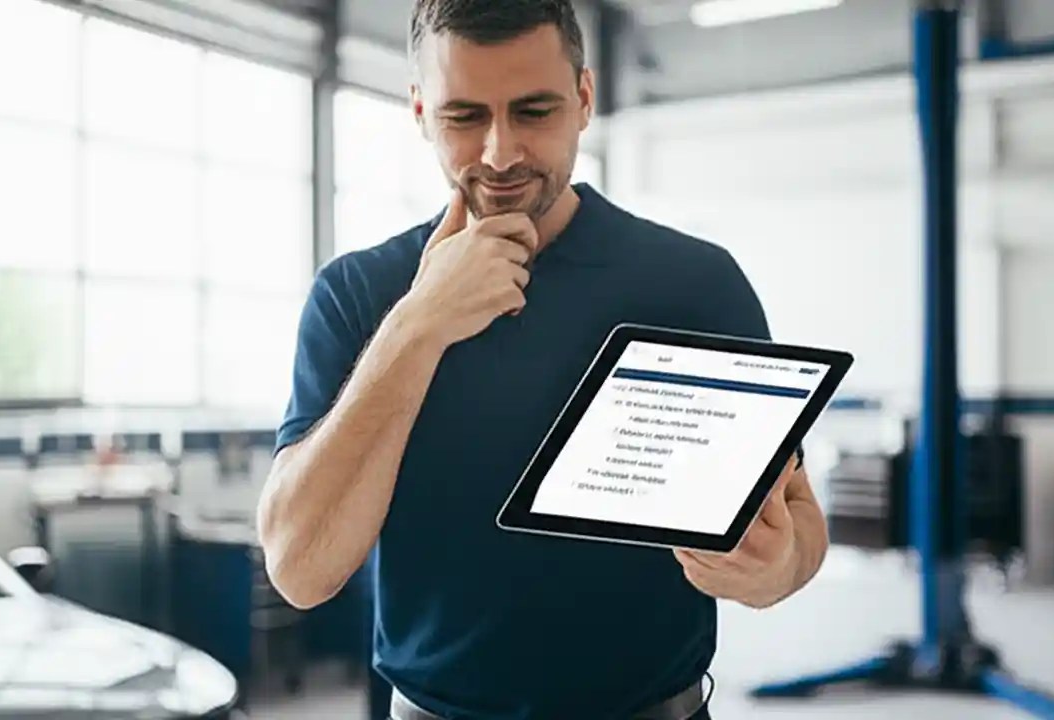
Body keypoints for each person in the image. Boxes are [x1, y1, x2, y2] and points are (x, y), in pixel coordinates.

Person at [255, 1, 831, 718]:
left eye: (534, 112)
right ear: (419, 110)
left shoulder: (695, 284)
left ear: (585, 98)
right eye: (464, 117)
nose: (499, 153)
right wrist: (418, 324)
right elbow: (300, 570)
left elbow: (801, 521)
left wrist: (773, 568)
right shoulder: (358, 295)